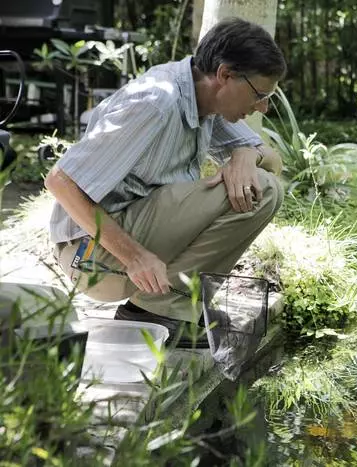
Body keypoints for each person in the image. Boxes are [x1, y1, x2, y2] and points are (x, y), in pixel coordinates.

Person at [45, 17, 286, 348]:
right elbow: (61, 181)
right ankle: (157, 311)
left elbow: (273, 162)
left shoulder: (204, 100)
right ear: (225, 75)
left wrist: (245, 155)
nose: (263, 107)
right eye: (260, 94)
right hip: (89, 259)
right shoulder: (156, 101)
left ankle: (169, 307)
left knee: (264, 187)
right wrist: (134, 257)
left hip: (122, 242)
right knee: (263, 190)